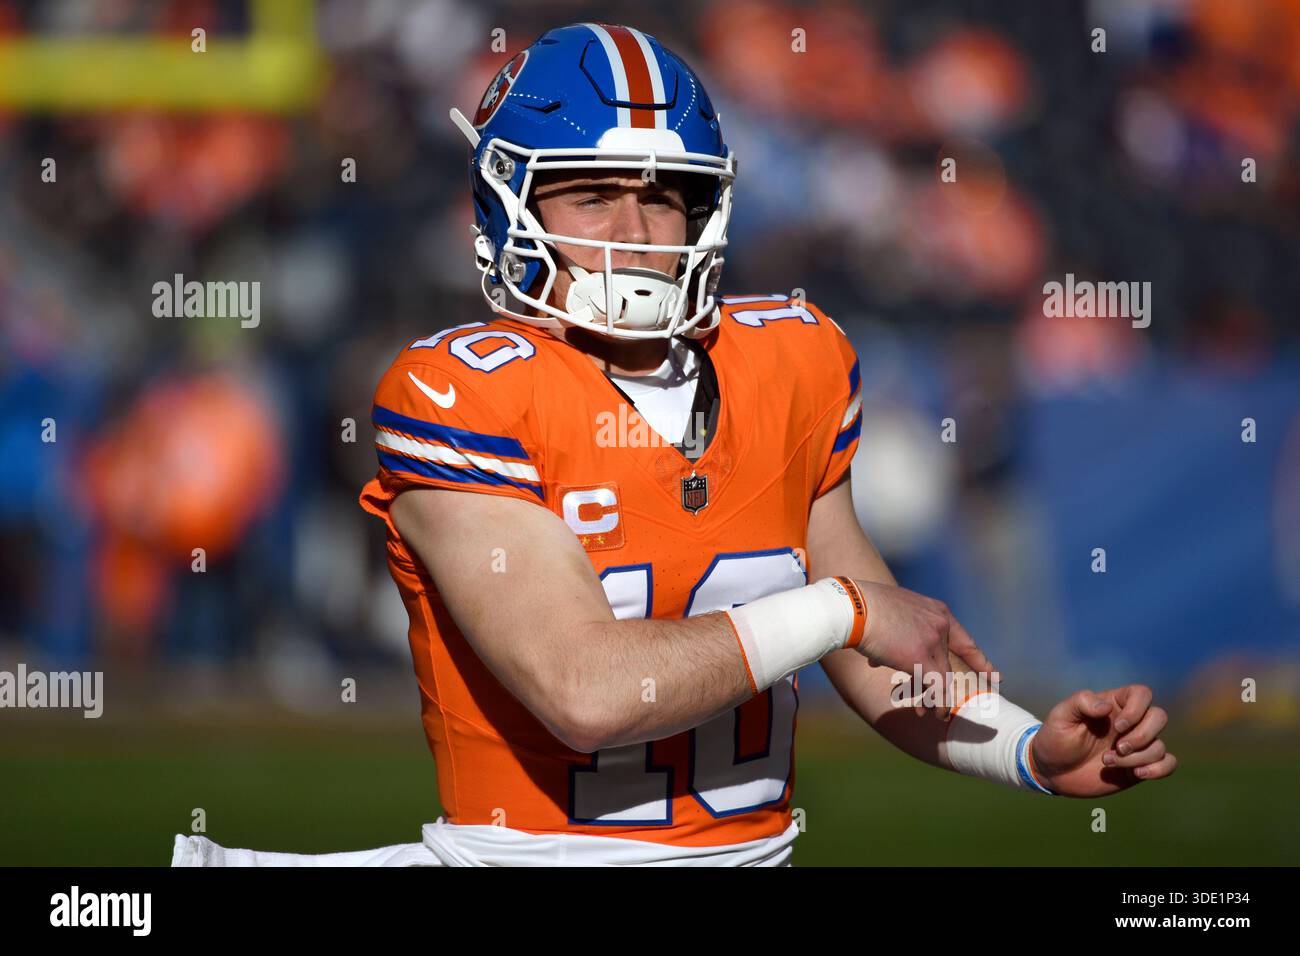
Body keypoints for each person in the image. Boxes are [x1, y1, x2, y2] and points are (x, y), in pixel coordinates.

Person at [173, 21, 1175, 869]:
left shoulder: (792, 358)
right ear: (507, 205)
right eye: (591, 192)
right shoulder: (461, 390)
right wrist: (842, 608)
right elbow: (587, 689)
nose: (633, 227)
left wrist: (1026, 749)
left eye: (662, 193)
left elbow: (880, 658)